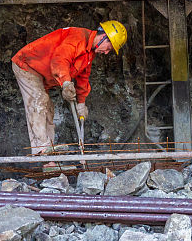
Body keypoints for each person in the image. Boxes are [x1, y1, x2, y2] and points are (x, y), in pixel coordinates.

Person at [10, 21, 126, 155]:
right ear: (104, 37)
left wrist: (81, 104)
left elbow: (83, 77)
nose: (106, 52)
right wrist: (66, 83)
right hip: (27, 64)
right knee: (39, 101)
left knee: (48, 109)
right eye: (109, 48)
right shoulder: (77, 37)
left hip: (41, 73)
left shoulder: (89, 54)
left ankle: (48, 154)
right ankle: (41, 150)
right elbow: (60, 59)